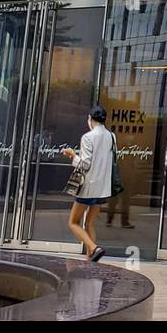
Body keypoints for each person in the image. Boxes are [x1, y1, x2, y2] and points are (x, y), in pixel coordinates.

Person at [62, 105, 115, 262]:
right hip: (102, 187)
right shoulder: (112, 136)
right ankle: (90, 259)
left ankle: (94, 248)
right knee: (89, 223)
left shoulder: (87, 137)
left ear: (91, 119)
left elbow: (85, 165)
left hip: (88, 187)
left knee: (73, 222)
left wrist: (72, 155)